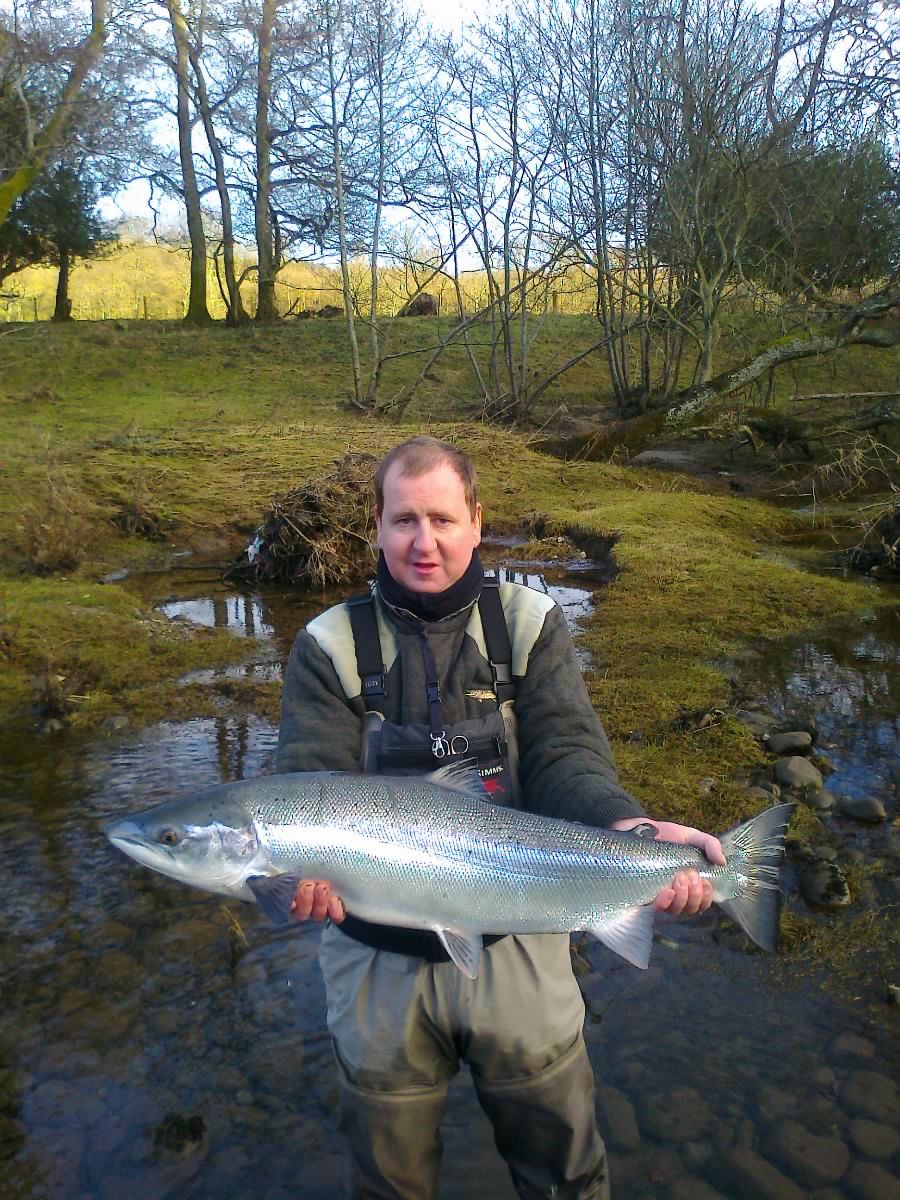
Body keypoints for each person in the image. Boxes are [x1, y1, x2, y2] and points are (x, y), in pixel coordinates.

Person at [276, 436, 724, 1200]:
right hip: (375, 963)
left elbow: (565, 757)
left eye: (444, 520)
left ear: (478, 522)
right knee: (387, 1179)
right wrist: (297, 875)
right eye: (404, 520)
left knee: (564, 1172)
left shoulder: (529, 622)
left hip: (522, 935)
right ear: (376, 528)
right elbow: (304, 786)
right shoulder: (328, 645)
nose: (424, 542)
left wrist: (626, 829)